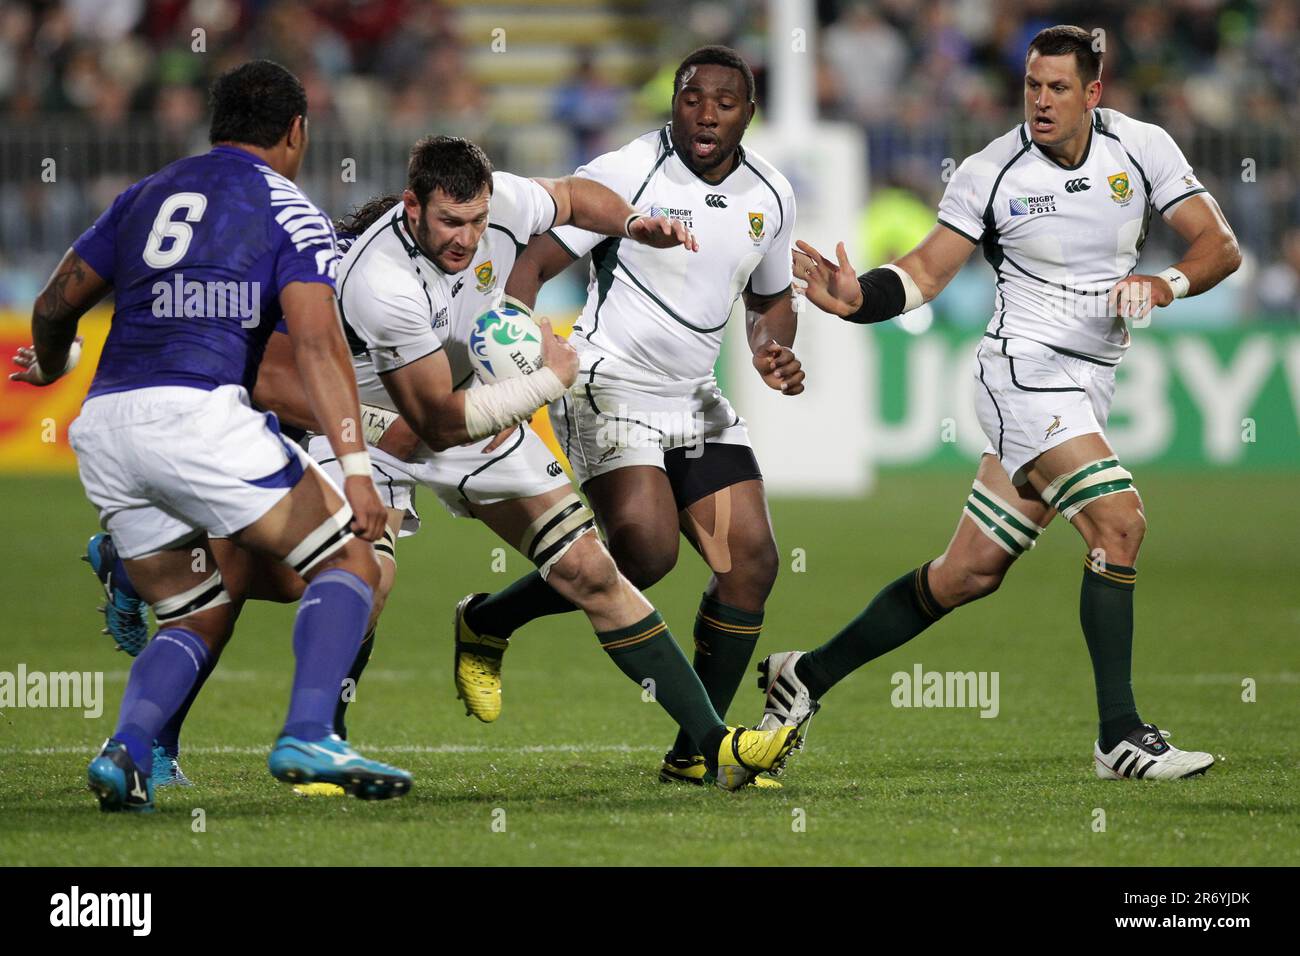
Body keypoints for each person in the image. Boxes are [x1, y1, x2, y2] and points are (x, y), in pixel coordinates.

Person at [761, 25, 1241, 781]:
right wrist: (856, 300)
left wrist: (1165, 282)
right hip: (1021, 372)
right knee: (1119, 522)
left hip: (1090, 380)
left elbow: (1220, 246)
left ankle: (806, 675)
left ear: (1093, 93)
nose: (1041, 101)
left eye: (1057, 88)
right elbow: (926, 268)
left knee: (969, 573)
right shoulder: (992, 169)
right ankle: (1119, 735)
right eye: (1031, 85)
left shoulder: (1142, 147)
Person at [312, 134, 799, 791]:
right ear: (412, 208)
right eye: (450, 222)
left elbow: (571, 197)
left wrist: (631, 222)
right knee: (365, 582)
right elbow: (429, 422)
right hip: (375, 428)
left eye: (477, 220)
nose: (466, 238)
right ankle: (323, 740)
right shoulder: (381, 279)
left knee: (594, 570)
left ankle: (715, 748)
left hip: (471, 408)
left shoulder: (504, 204)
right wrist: (548, 380)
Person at [10, 60, 412, 811]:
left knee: (195, 610)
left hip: (104, 427)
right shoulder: (288, 206)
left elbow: (55, 301)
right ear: (298, 131)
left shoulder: (144, 192)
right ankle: (309, 732)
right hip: (197, 415)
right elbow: (320, 346)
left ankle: (126, 753)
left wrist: (57, 360)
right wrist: (356, 469)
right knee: (354, 563)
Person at [503, 45, 805, 787]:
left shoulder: (772, 193)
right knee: (645, 551)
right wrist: (517, 331)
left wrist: (770, 349)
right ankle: (490, 620)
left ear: (748, 113)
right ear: (674, 101)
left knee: (751, 564)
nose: (706, 113)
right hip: (609, 383)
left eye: (724, 102)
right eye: (692, 97)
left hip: (694, 395)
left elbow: (768, 300)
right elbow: (535, 262)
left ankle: (693, 753)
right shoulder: (624, 171)